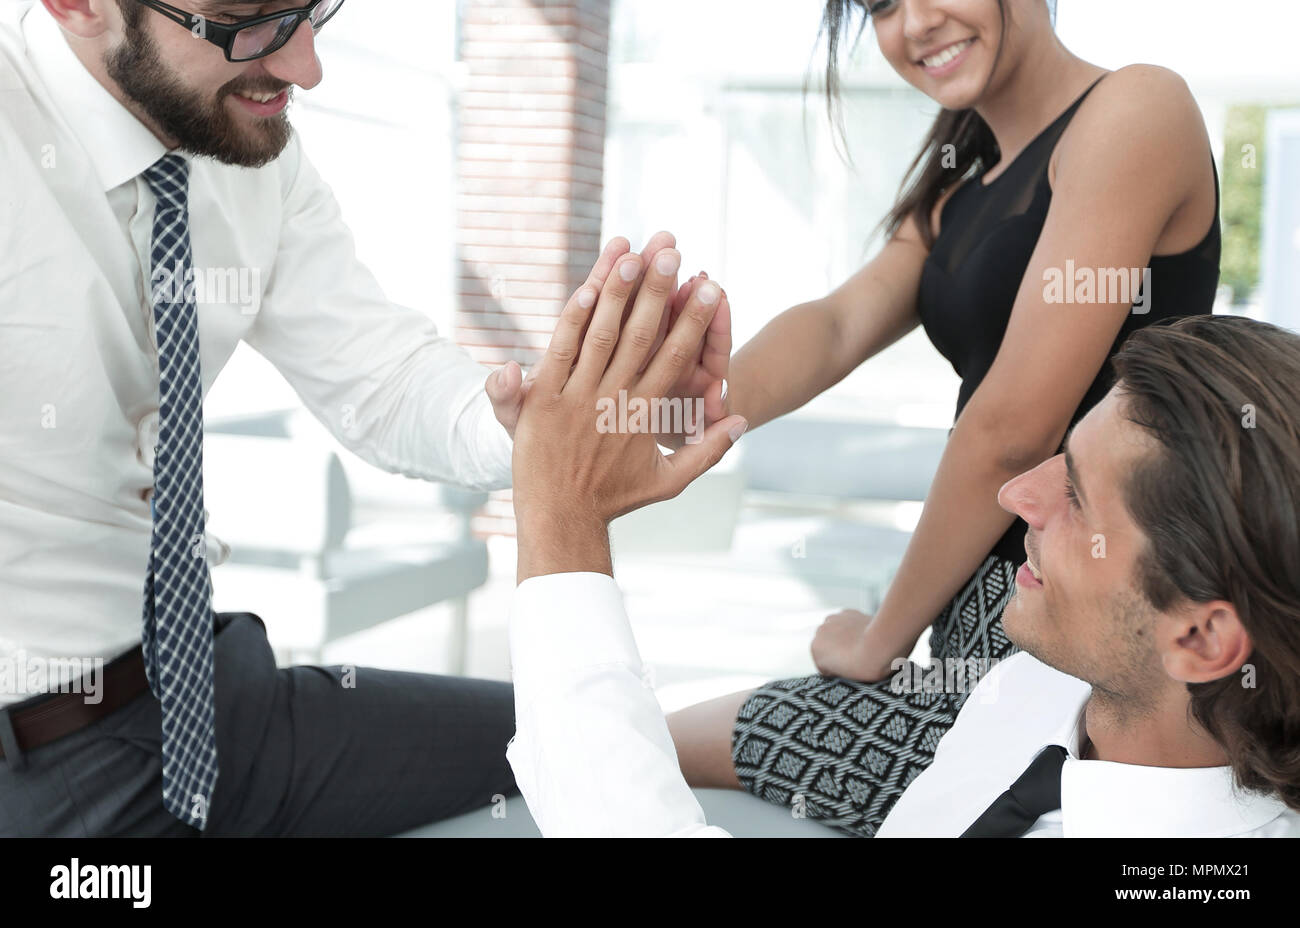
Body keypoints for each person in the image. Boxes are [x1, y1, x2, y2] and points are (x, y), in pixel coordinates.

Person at [0, 0, 720, 836]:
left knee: (610, 745)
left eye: (310, 11)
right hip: (47, 765)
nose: (306, 67)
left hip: (222, 699)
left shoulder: (244, 146)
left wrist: (550, 428)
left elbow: (379, 376)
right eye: (251, 22)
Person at [665, 0, 1223, 835]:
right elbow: (837, 326)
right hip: (984, 629)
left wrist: (877, 643)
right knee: (627, 740)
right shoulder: (963, 188)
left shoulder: (1136, 109)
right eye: (882, 6)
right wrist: (669, 409)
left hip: (1091, 631)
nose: (915, 21)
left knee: (649, 743)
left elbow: (1011, 433)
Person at [506, 290, 1300, 837]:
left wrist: (560, 518)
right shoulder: (1034, 688)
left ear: (1201, 641)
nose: (1019, 493)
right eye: (1058, 458)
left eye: (1080, 500)